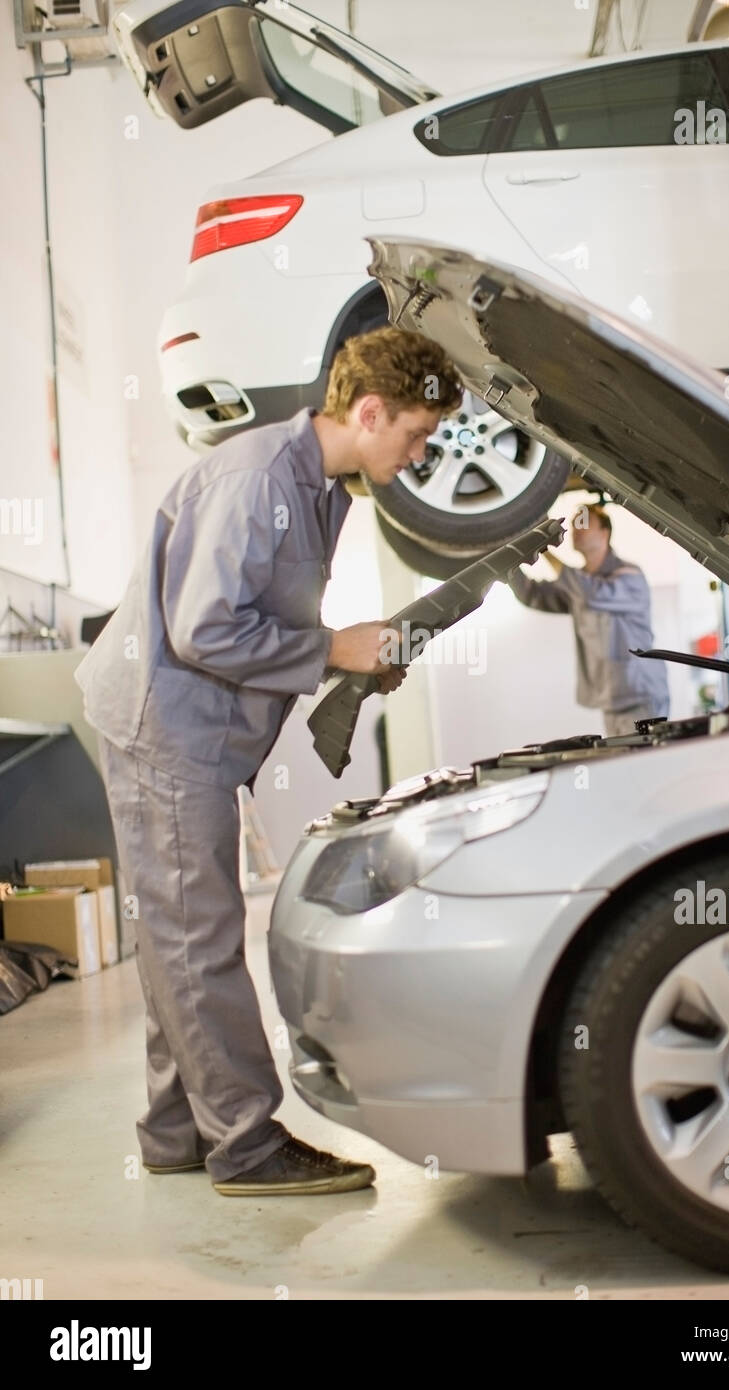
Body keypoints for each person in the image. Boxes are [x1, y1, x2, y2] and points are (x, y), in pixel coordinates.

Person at [74, 327, 463, 1197]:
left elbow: (255, 618)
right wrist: (335, 647)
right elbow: (204, 628)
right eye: (417, 433)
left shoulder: (324, 489)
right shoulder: (256, 480)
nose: (422, 451)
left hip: (201, 730)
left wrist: (348, 655)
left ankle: (176, 1130)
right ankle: (246, 1147)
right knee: (198, 940)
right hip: (165, 727)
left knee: (176, 936)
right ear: (369, 411)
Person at [509, 503, 669, 736]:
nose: (576, 529)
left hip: (641, 696)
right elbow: (531, 595)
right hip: (610, 700)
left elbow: (591, 593)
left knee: (644, 764)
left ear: (605, 533)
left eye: (584, 523)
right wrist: (509, 558)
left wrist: (542, 550)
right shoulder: (579, 584)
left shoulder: (629, 576)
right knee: (622, 764)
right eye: (574, 525)